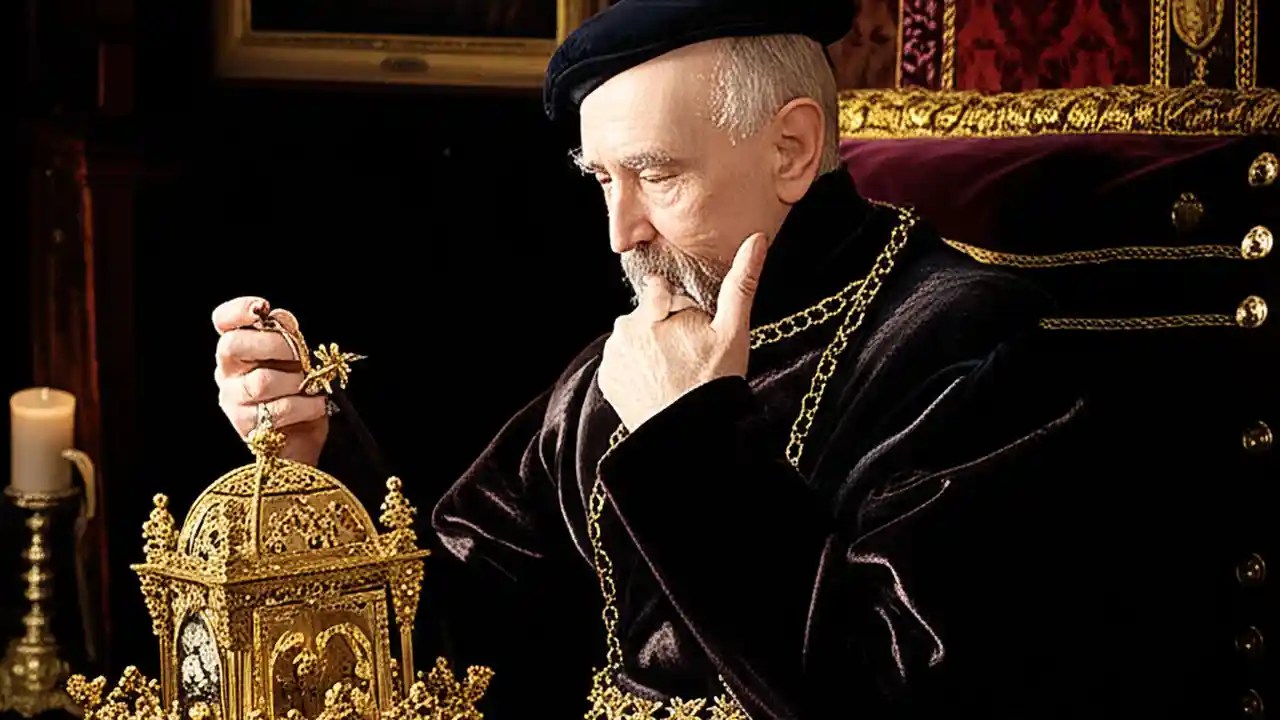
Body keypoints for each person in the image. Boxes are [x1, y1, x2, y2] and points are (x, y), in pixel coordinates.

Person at [211, 1, 1094, 717]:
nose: (620, 232)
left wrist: (690, 441)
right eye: (603, 180)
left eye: (658, 175)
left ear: (792, 149)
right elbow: (462, 638)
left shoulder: (976, 348)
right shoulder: (626, 360)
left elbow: (900, 689)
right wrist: (320, 465)